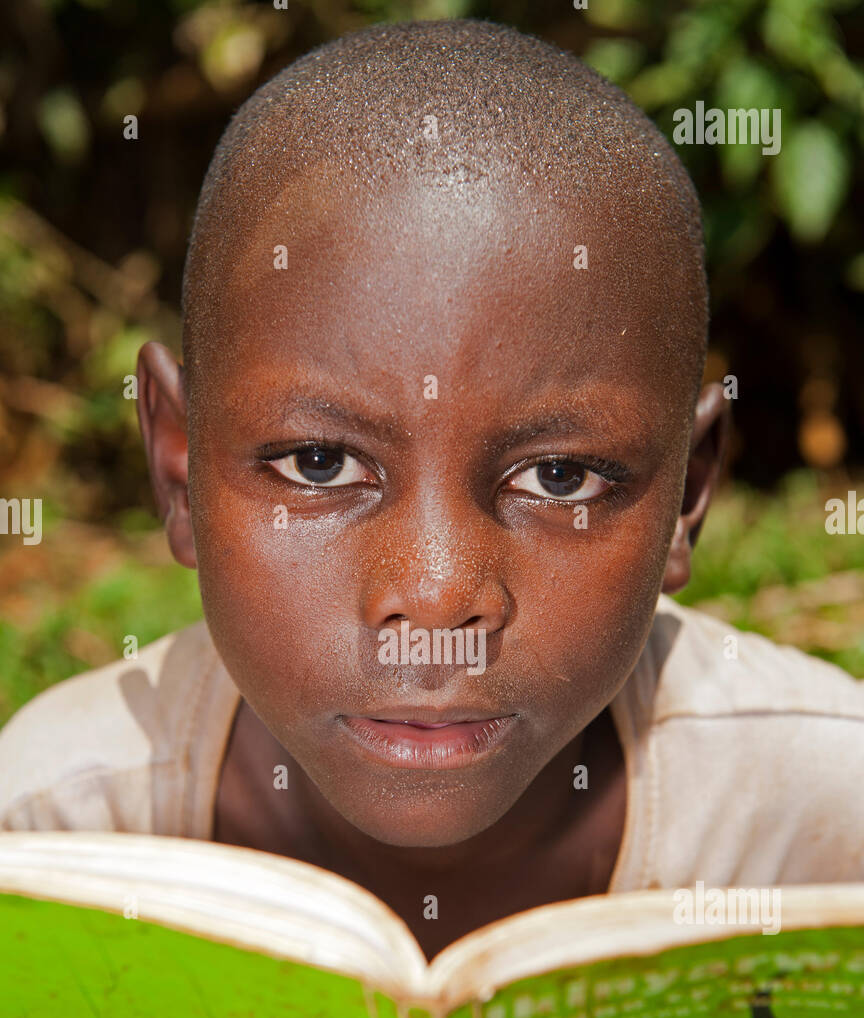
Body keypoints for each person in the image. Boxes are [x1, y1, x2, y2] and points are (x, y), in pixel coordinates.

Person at [1, 20, 862, 958]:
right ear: (177, 467)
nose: (438, 595)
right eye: (319, 465)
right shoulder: (51, 843)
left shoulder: (827, 832)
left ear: (687, 498)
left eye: (559, 476)